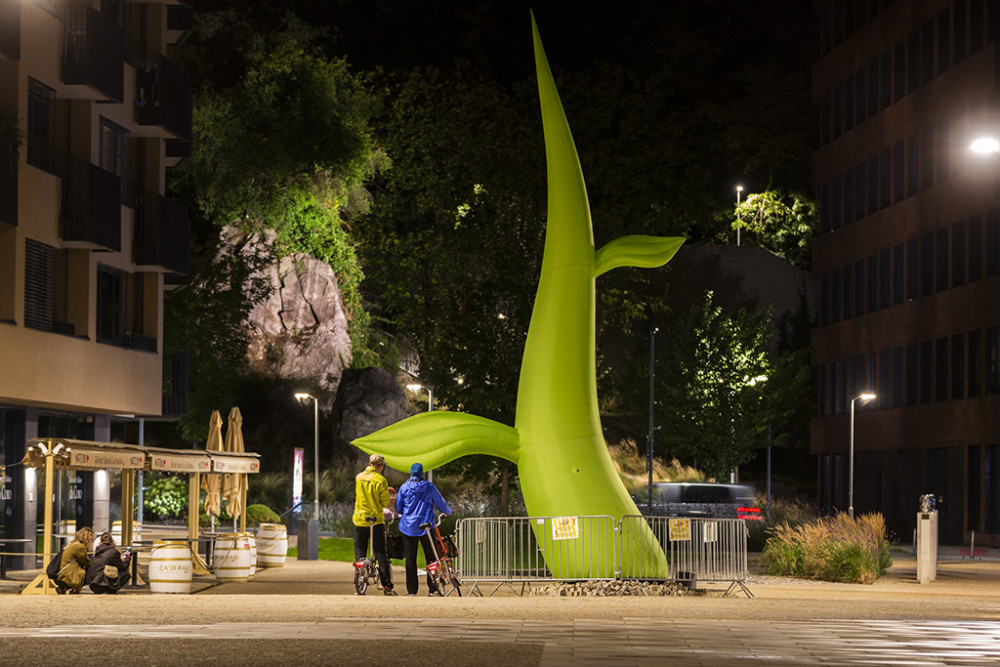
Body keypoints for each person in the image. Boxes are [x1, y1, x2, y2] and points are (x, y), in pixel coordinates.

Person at [396, 462, 452, 597]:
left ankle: (411, 590)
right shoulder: (429, 487)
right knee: (431, 558)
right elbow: (440, 502)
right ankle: (432, 588)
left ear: (410, 473)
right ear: (422, 474)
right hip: (426, 525)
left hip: (408, 526)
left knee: (410, 559)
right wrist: (448, 512)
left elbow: (398, 506)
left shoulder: (404, 487)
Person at [352, 453, 396, 595]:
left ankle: (359, 580)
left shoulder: (359, 478)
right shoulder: (381, 480)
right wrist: (386, 491)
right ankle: (387, 586)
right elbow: (384, 502)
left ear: (369, 463)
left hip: (359, 519)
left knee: (359, 552)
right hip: (375, 521)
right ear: (380, 466)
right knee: (380, 553)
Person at [53, 527, 94, 594]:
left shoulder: (72, 544)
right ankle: (74, 589)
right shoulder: (80, 547)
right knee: (90, 572)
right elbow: (86, 563)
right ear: (88, 538)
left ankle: (64, 588)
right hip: (66, 577)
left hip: (59, 576)